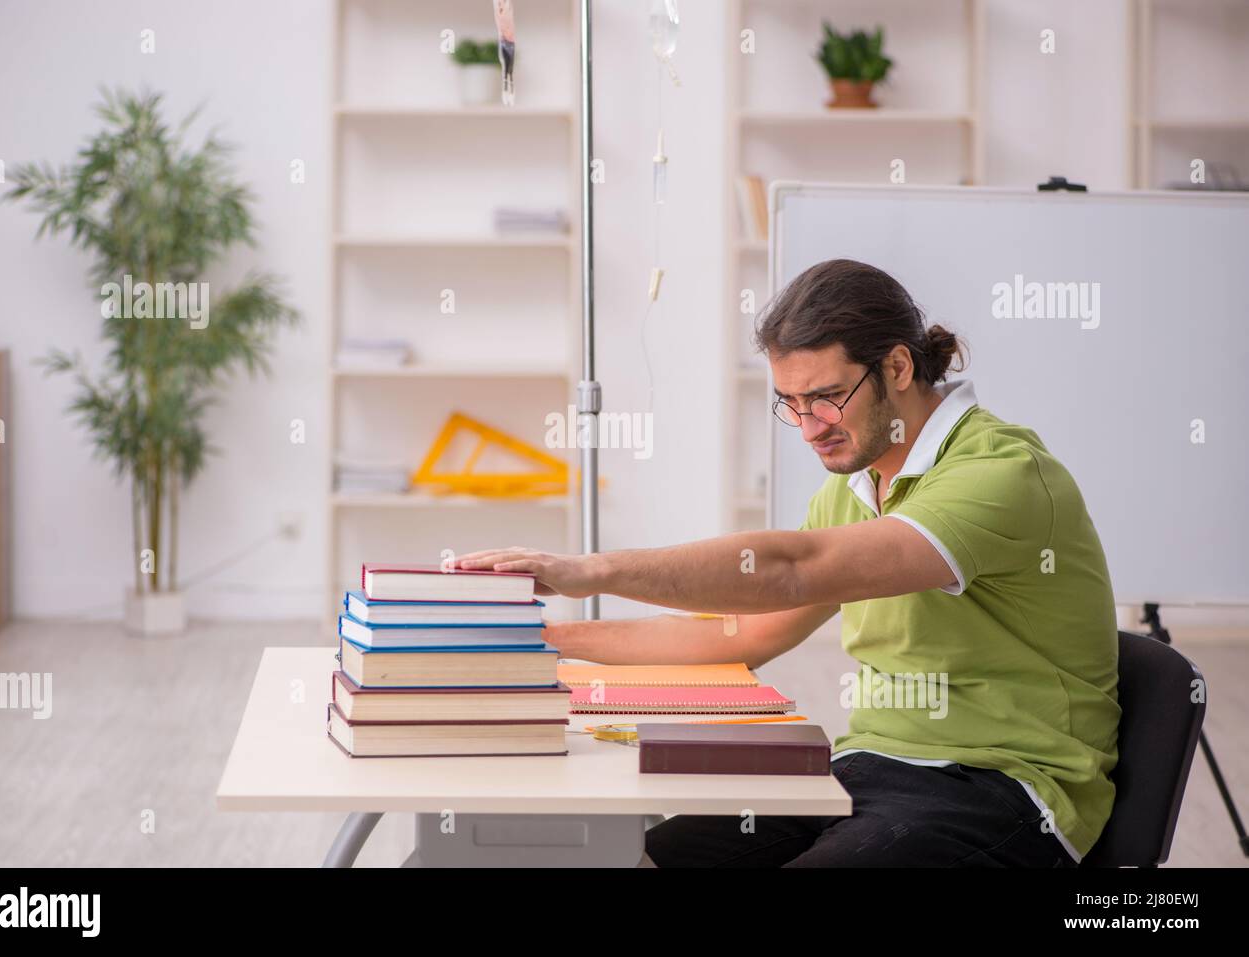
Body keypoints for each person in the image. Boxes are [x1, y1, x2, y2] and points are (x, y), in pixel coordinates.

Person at [455, 258, 1120, 867]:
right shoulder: (855, 485)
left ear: (896, 367)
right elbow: (742, 632)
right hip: (868, 766)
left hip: (1006, 787)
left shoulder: (999, 473)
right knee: (641, 859)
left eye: (827, 397)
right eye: (791, 404)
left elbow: (791, 568)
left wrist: (590, 569)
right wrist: (544, 640)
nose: (809, 427)